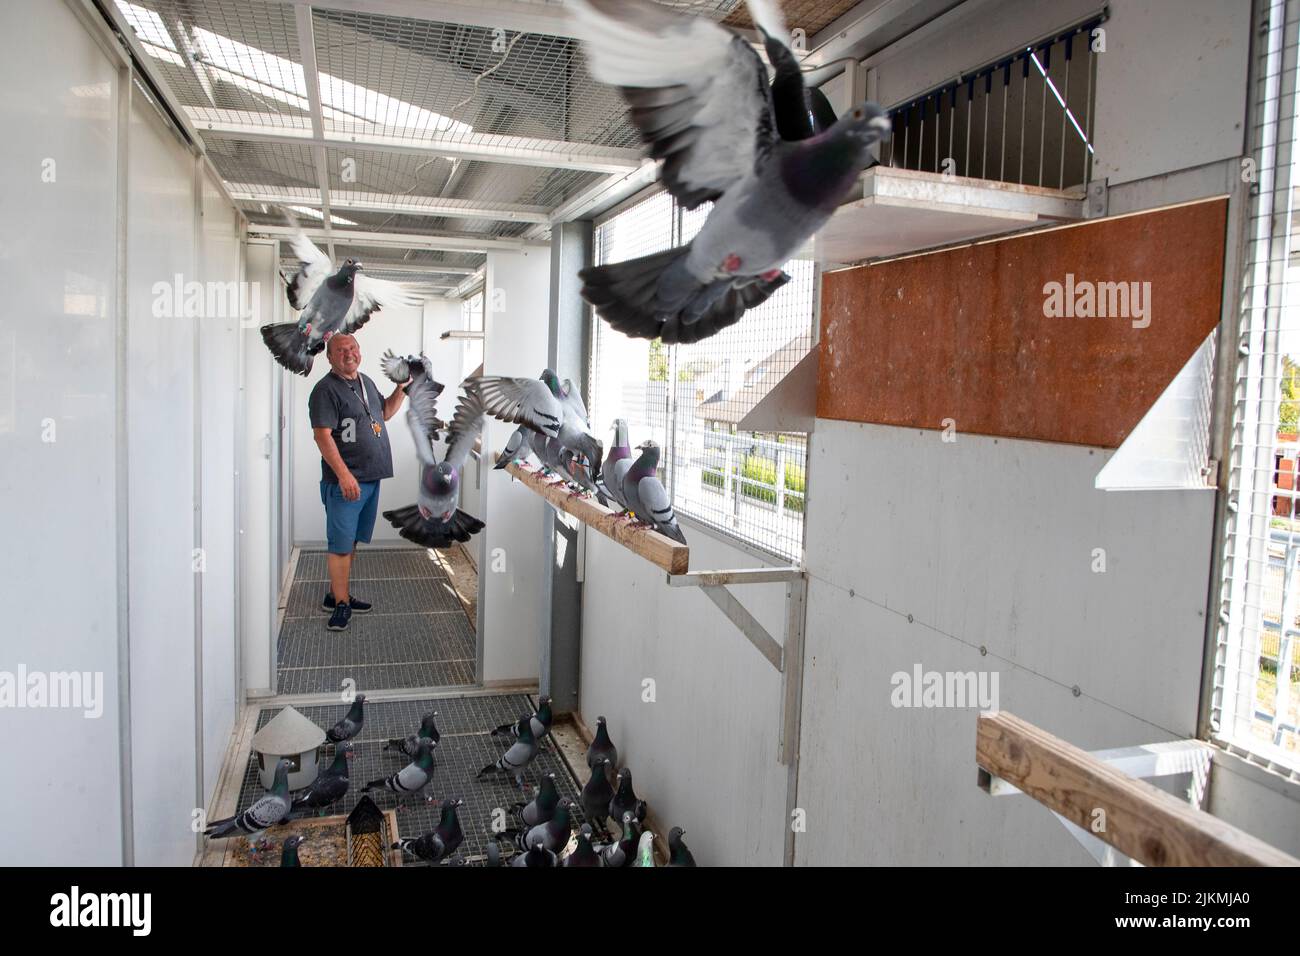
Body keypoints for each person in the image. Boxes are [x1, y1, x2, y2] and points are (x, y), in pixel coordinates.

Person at [308, 333, 408, 631]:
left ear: (360, 352)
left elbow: (384, 414)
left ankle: (336, 594)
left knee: (350, 541)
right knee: (340, 544)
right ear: (329, 357)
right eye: (340, 350)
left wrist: (401, 388)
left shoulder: (365, 381)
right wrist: (344, 475)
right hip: (346, 482)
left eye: (352, 348)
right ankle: (341, 605)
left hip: (370, 477)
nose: (348, 353)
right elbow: (322, 436)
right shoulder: (325, 390)